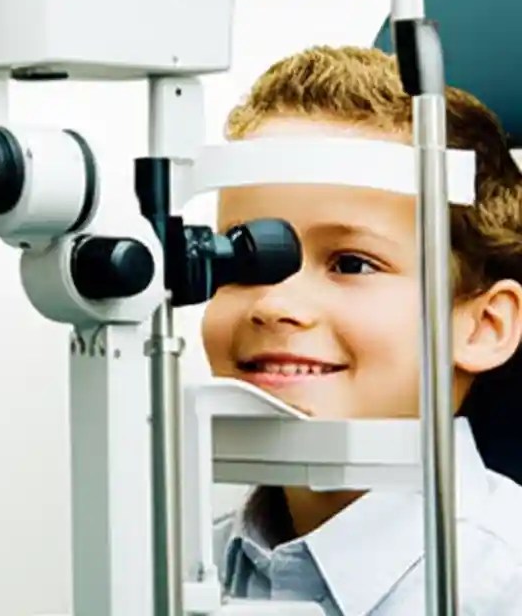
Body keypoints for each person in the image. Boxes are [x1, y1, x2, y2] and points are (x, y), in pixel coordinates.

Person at [203, 45, 522, 615]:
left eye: (351, 263)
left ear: (484, 325)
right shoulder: (177, 567)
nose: (276, 304)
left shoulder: (502, 587)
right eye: (244, 257)